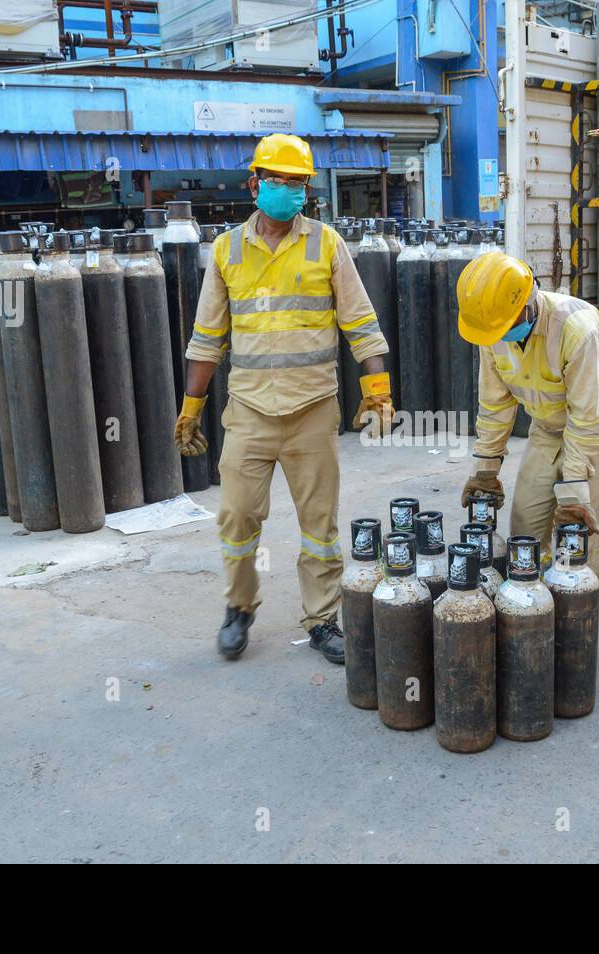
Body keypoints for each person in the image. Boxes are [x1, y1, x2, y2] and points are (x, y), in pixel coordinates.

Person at [174, 133, 395, 662]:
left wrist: (379, 388)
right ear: (254, 184)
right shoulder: (226, 250)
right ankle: (239, 607)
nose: (289, 192)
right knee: (236, 516)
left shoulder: (326, 243)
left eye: (298, 184)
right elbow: (208, 338)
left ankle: (322, 620)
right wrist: (190, 407)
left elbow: (360, 322)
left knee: (319, 524)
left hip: (313, 409)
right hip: (249, 411)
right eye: (279, 181)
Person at [456, 251, 599, 575]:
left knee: (578, 548)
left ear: (528, 304)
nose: (500, 337)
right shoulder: (492, 329)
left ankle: (573, 616)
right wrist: (486, 471)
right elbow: (494, 406)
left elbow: (586, 421)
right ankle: (533, 609)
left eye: (506, 327)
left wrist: (573, 494)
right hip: (547, 428)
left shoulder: (575, 329)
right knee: (524, 537)